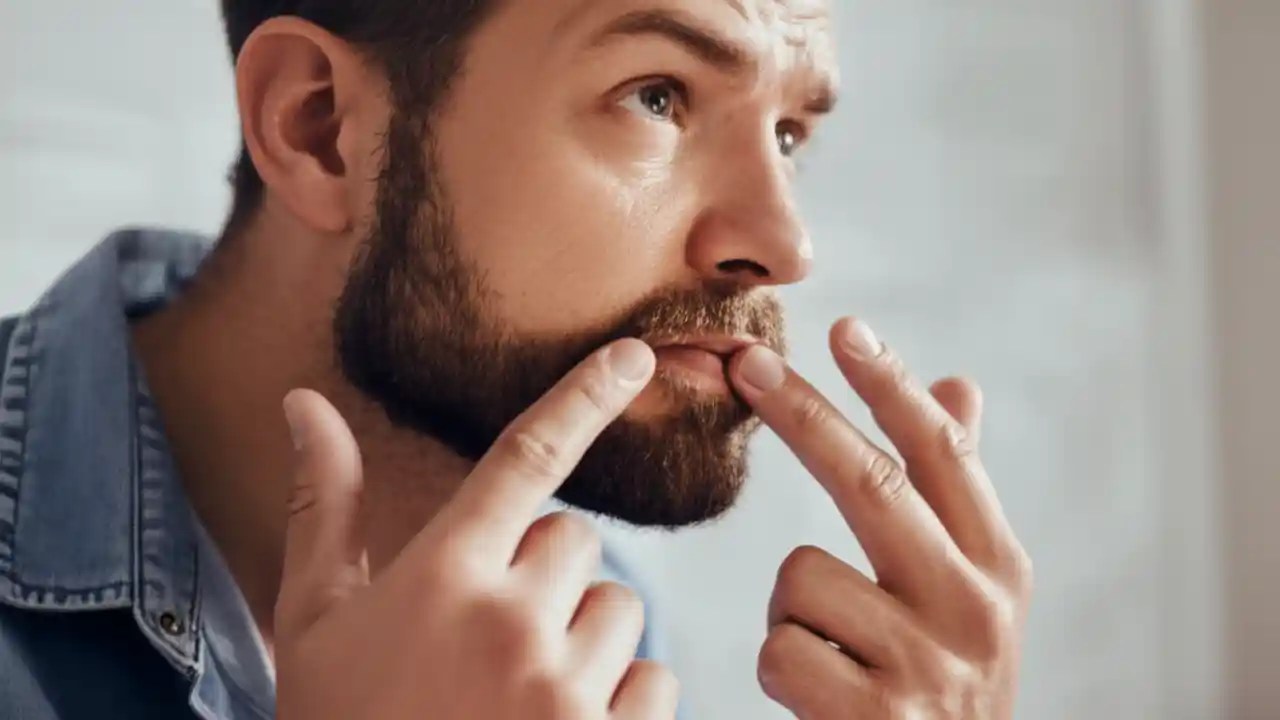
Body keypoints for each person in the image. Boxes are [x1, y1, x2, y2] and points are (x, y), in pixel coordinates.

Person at [0, 0, 1034, 717]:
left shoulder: (597, 609)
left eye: (788, 134)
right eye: (658, 96)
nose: (784, 244)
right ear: (320, 129)